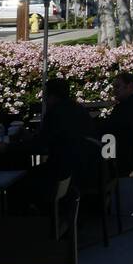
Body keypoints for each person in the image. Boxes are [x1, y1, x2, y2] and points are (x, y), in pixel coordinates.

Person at [8, 77, 97, 213]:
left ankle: (24, 222)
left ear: (51, 96)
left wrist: (8, 147)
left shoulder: (55, 113)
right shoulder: (78, 109)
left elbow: (40, 145)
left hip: (64, 170)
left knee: (17, 180)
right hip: (84, 166)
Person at [98, 71, 133, 177]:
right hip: (127, 156)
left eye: (117, 86)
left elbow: (112, 130)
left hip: (120, 160)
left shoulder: (127, 107)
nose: (114, 90)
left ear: (129, 86)